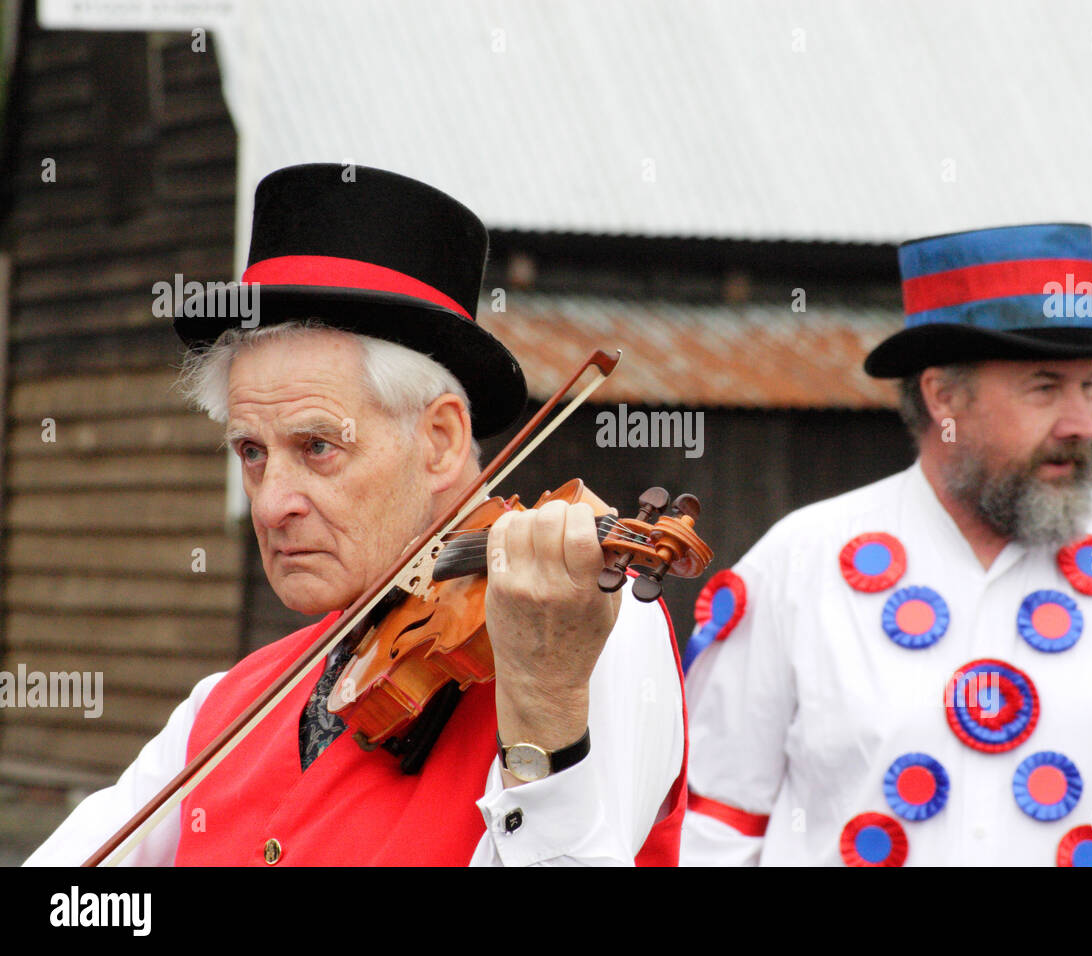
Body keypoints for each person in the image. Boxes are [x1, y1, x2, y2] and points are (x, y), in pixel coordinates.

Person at [26, 164, 686, 866]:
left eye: (318, 446)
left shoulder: (588, 635)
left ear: (439, 441)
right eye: (252, 451)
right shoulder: (223, 705)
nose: (273, 503)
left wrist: (546, 702)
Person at [680, 222, 1092, 866]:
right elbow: (716, 831)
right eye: (1045, 387)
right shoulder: (799, 562)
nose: (1083, 424)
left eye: (1089, 385)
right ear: (943, 397)